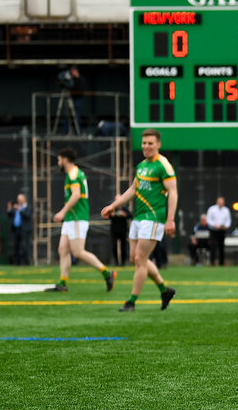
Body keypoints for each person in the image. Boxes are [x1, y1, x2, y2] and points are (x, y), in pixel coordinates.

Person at [101, 129, 177, 312]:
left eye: (150, 143)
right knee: (134, 258)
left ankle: (131, 301)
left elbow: (173, 192)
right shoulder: (142, 166)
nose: (146, 146)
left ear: (158, 144)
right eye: (144, 143)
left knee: (139, 258)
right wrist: (113, 206)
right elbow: (133, 189)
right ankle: (164, 290)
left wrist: (170, 219)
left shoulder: (163, 165)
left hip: (154, 218)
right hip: (139, 217)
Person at [46, 148, 115, 292]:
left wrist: (62, 212)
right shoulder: (74, 173)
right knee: (63, 249)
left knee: (78, 252)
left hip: (77, 218)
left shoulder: (73, 174)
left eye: (59, 160)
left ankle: (107, 273)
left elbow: (76, 195)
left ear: (65, 159)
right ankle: (63, 284)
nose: (58, 163)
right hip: (71, 218)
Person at [7, 194, 33, 266]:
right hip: (16, 230)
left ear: (24, 199)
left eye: (20, 199)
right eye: (18, 199)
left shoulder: (28, 207)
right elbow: (9, 214)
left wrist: (20, 209)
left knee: (24, 246)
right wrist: (9, 208)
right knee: (16, 246)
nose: (18, 201)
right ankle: (16, 262)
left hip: (25, 230)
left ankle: (26, 262)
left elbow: (27, 215)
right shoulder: (16, 208)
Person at [205, 196, 231, 266]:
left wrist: (226, 226)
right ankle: (212, 262)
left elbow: (228, 220)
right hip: (213, 230)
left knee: (221, 246)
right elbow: (208, 219)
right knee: (213, 246)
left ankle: (221, 263)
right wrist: (214, 225)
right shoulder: (211, 209)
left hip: (222, 231)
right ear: (217, 202)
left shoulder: (226, 210)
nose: (221, 203)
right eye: (220, 201)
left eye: (222, 201)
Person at [109, 198, 132, 266]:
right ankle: (116, 262)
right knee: (114, 246)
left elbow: (130, 216)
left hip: (123, 231)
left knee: (123, 246)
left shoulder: (124, 209)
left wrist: (124, 214)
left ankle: (123, 263)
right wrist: (111, 215)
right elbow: (107, 217)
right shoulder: (112, 209)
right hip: (114, 231)